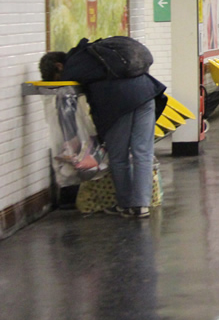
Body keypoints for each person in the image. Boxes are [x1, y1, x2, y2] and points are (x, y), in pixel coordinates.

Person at [39, 38, 166, 218]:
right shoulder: (91, 56)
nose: (61, 81)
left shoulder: (72, 67)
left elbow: (68, 104)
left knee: (118, 156)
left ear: (59, 66)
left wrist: (75, 136)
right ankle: (141, 205)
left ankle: (125, 203)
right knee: (143, 152)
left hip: (119, 103)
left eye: (57, 78)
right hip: (146, 94)